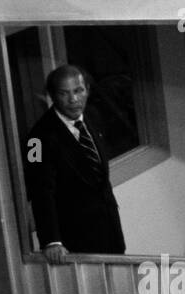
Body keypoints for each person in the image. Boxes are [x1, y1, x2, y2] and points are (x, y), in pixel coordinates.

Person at [24, 64, 126, 264]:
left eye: (78, 91)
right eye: (64, 93)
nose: (73, 99)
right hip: (76, 238)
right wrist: (51, 240)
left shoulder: (93, 116)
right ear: (52, 96)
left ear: (87, 89)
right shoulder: (36, 139)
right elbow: (40, 191)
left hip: (110, 228)